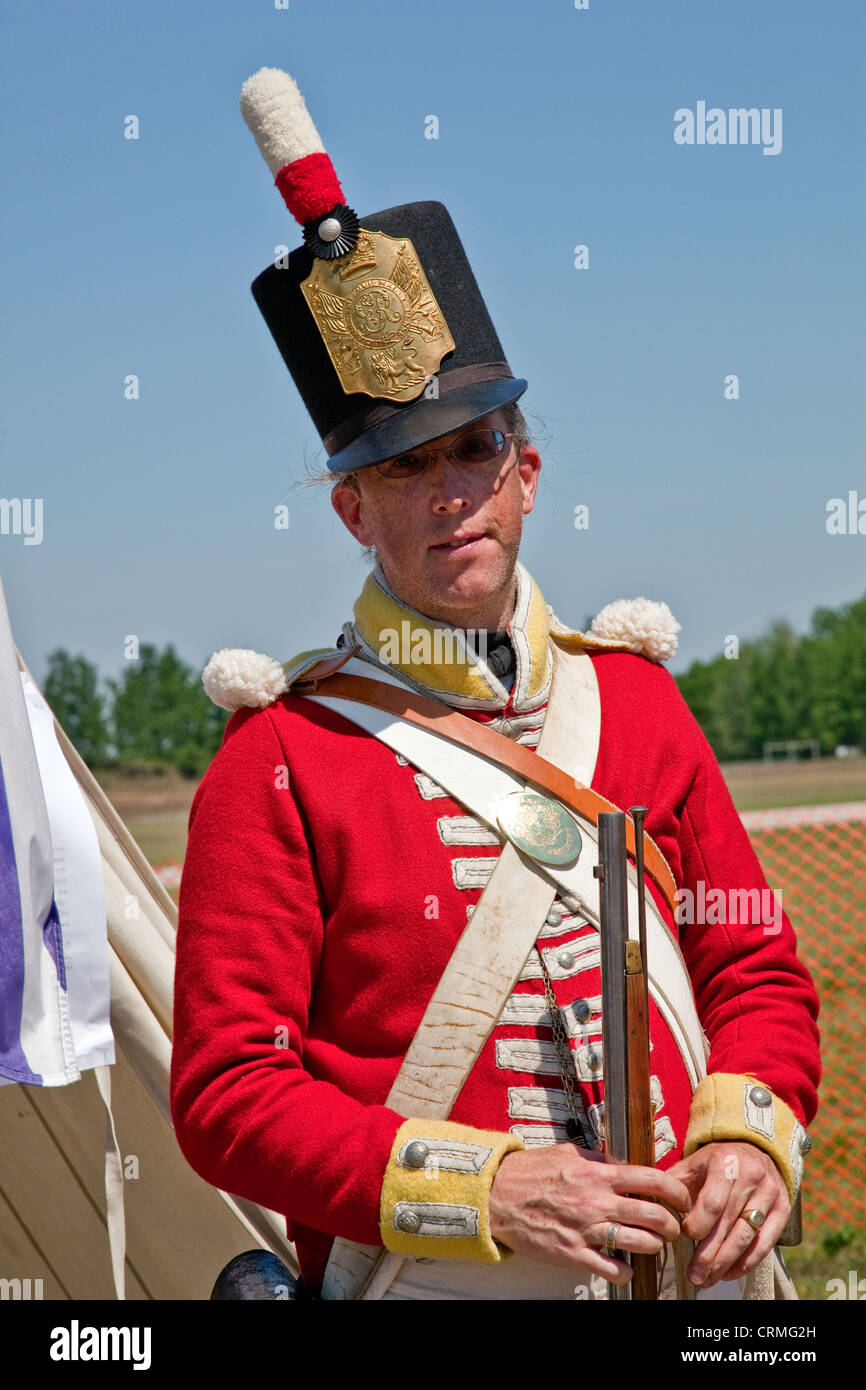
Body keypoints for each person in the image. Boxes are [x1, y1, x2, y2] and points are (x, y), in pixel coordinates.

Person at [169, 67, 820, 1301]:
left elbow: (753, 969)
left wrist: (746, 1133)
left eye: (475, 450)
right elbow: (228, 1094)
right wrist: (484, 1187)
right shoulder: (278, 763)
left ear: (526, 472)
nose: (450, 493)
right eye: (406, 470)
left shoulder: (633, 704)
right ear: (353, 511)